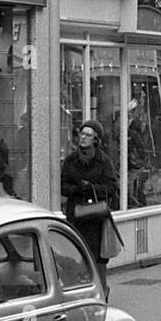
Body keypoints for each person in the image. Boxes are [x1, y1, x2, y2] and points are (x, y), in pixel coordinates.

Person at [60, 119, 120, 293]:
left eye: (88, 135)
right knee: (78, 258)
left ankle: (101, 293)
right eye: (82, 133)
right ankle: (82, 293)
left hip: (96, 219)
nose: (83, 138)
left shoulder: (104, 161)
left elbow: (112, 187)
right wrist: (79, 188)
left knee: (97, 260)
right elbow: (63, 187)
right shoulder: (71, 161)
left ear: (96, 139)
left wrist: (92, 188)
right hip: (77, 217)